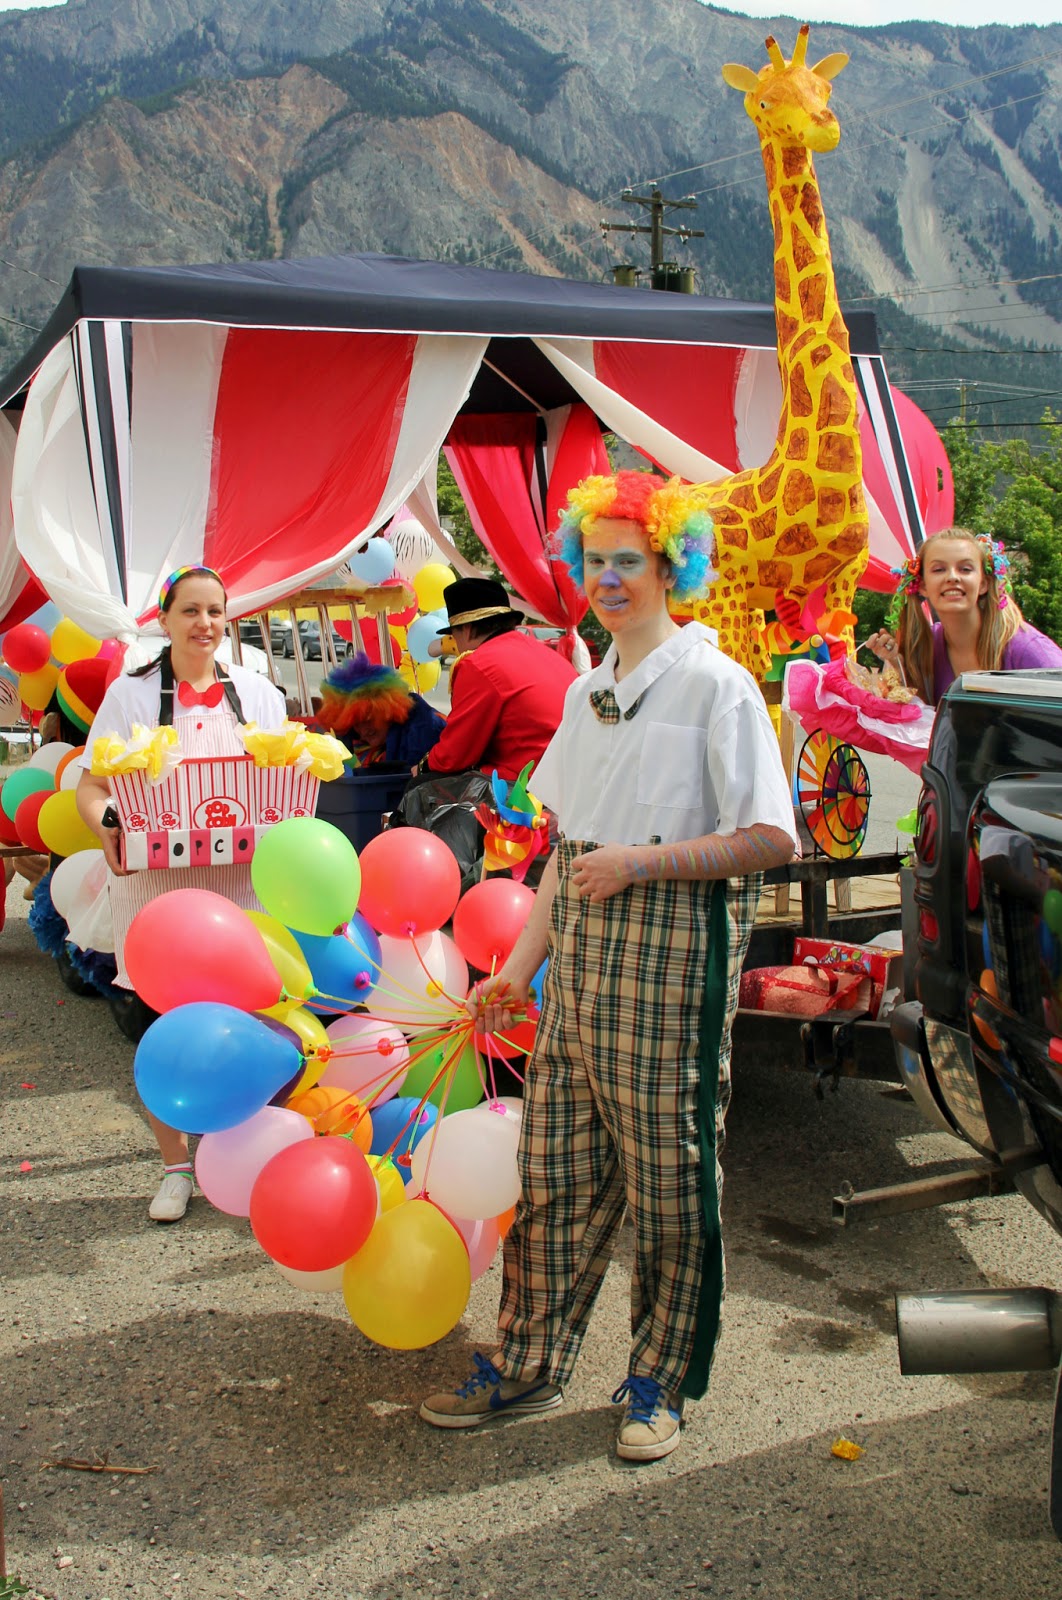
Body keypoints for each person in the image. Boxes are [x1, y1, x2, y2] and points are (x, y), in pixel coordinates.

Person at [419, 471, 797, 1462]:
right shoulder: (587, 690)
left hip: (672, 969)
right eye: (595, 561)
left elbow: (769, 837)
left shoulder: (719, 685)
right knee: (552, 1177)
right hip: (580, 973)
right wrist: (516, 965)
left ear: (673, 564)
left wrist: (644, 863)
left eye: (629, 559)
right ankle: (531, 1358)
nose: (610, 578)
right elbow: (563, 851)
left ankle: (658, 1383)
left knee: (671, 1187)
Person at [76, 566, 286, 1223]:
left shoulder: (256, 693)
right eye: (190, 611)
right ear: (163, 620)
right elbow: (90, 785)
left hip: (241, 884)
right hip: (157, 890)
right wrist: (107, 821)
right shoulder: (130, 696)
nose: (205, 624)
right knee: (165, 1024)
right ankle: (175, 1165)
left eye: (216, 611)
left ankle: (246, 1153)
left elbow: (285, 778)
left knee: (250, 1014)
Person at [866, 528, 1062, 705]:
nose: (952, 577)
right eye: (939, 569)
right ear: (923, 586)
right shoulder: (927, 646)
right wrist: (895, 665)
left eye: (965, 569)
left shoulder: (1028, 650)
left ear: (983, 583)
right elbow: (919, 721)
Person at [419, 578, 577, 782]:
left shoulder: (479, 664)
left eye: (453, 633)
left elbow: (453, 756)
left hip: (527, 787)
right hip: (571, 777)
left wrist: (423, 765)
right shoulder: (546, 653)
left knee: (421, 787)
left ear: (465, 629)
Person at [315, 652, 444, 768]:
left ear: (388, 711)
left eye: (368, 720)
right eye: (356, 724)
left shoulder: (424, 732)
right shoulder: (357, 746)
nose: (363, 730)